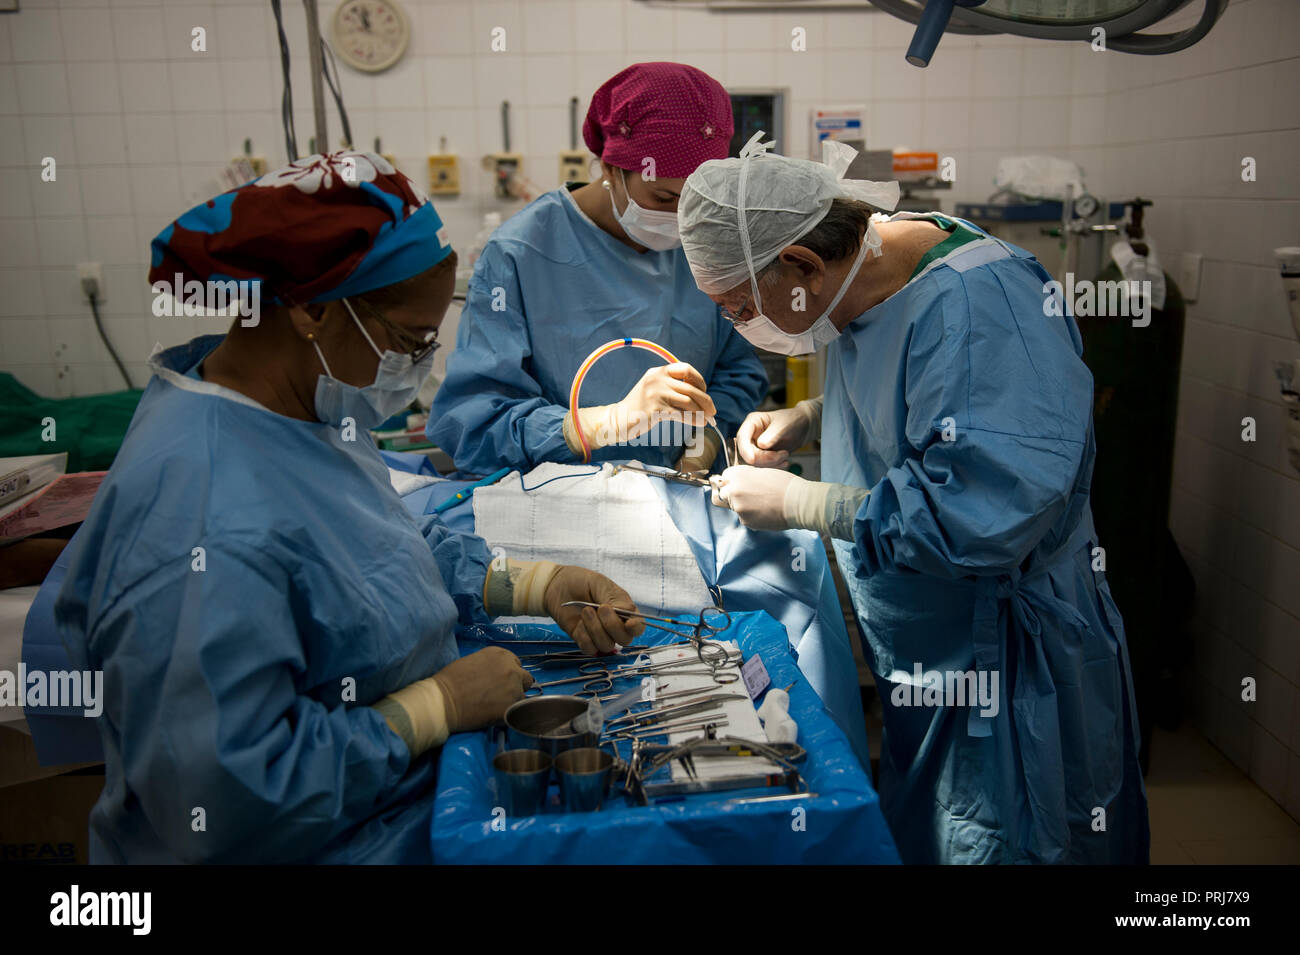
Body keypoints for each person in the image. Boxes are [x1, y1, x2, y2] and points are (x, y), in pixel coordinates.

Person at [55, 152, 643, 864]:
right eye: (407, 341)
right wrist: (432, 709)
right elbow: (226, 795)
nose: (419, 364)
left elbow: (372, 549)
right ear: (310, 310)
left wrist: (530, 584)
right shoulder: (204, 517)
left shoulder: (298, 407)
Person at [678, 134, 1150, 864]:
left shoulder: (982, 307)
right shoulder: (871, 269)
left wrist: (801, 503)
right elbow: (920, 404)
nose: (743, 327)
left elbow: (977, 514)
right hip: (931, 645)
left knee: (1010, 841)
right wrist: (808, 417)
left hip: (1002, 657)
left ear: (801, 262)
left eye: (740, 305)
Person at [427, 62, 768, 476]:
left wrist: (706, 440)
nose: (683, 218)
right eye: (663, 198)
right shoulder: (521, 254)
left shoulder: (706, 245)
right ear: (610, 168)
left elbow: (738, 371)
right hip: (557, 502)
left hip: (681, 495)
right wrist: (593, 427)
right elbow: (475, 423)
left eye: (697, 200)